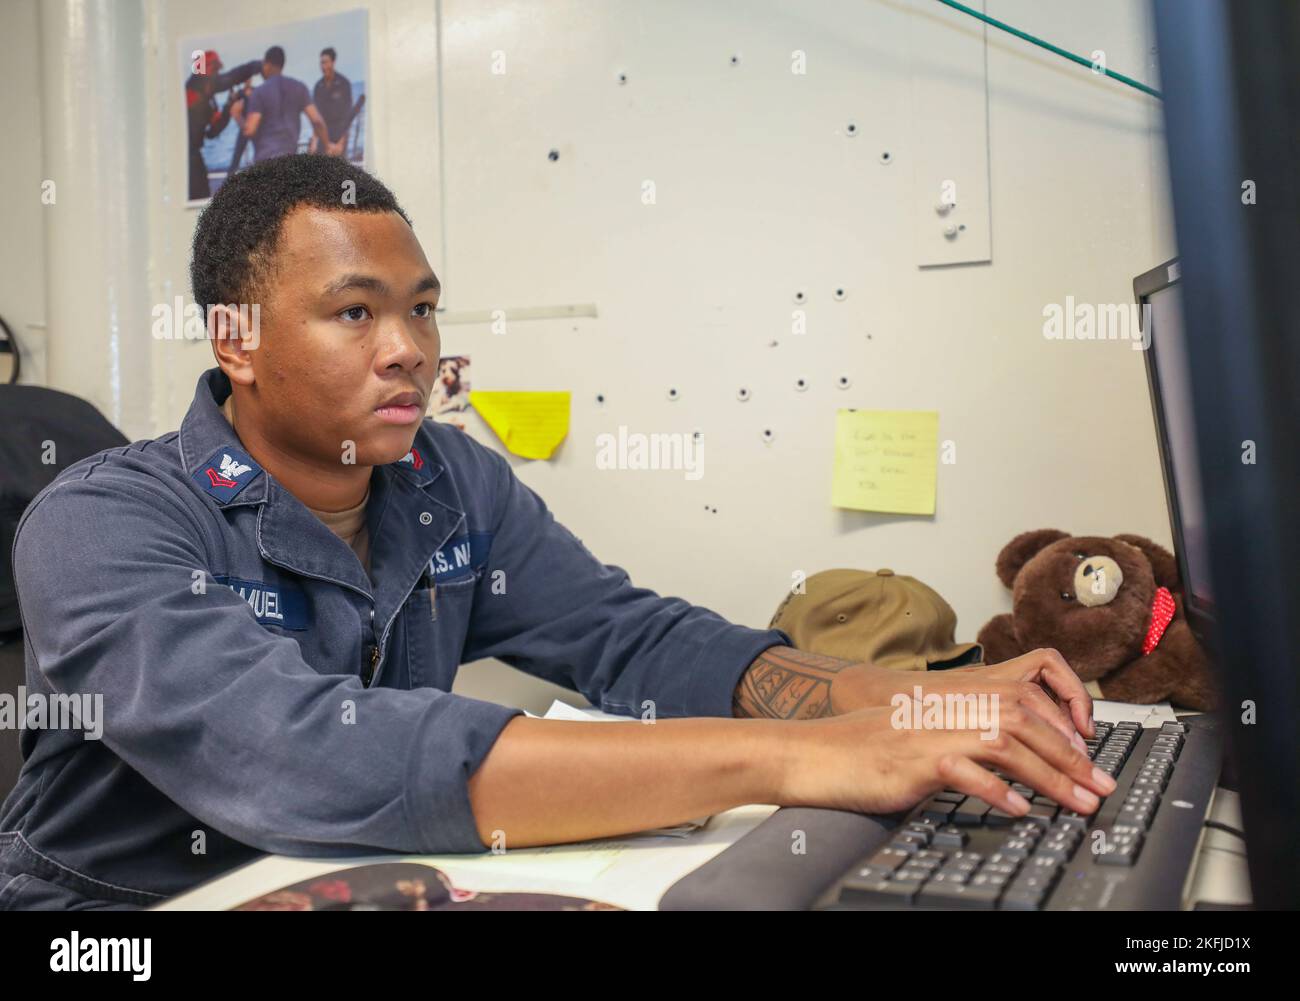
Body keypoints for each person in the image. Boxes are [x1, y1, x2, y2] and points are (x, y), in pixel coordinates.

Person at [0, 156, 1113, 909]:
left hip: (355, 881)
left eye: (422, 306)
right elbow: (301, 750)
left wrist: (934, 701)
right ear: (236, 340)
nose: (408, 349)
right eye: (355, 311)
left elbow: (633, 641)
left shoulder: (449, 480)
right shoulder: (102, 520)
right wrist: (813, 756)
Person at [184, 49, 260, 200]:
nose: (217, 75)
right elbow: (230, 78)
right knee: (200, 194)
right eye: (215, 71)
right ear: (208, 71)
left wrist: (228, 107)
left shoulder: (206, 94)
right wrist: (256, 66)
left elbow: (213, 132)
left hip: (193, 154)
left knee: (202, 193)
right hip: (186, 155)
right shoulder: (194, 95)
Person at [240, 45, 336, 162]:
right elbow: (317, 121)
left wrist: (237, 115)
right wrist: (327, 145)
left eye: (263, 65)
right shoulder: (299, 87)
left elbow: (250, 130)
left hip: (264, 163)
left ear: (268, 65)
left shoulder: (259, 92)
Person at [311, 47, 354, 158]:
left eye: (326, 63)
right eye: (321, 63)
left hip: (339, 139)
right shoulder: (318, 86)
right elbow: (316, 118)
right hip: (323, 139)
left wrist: (340, 144)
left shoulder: (344, 84)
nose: (323, 67)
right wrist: (314, 142)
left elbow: (348, 118)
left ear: (333, 62)